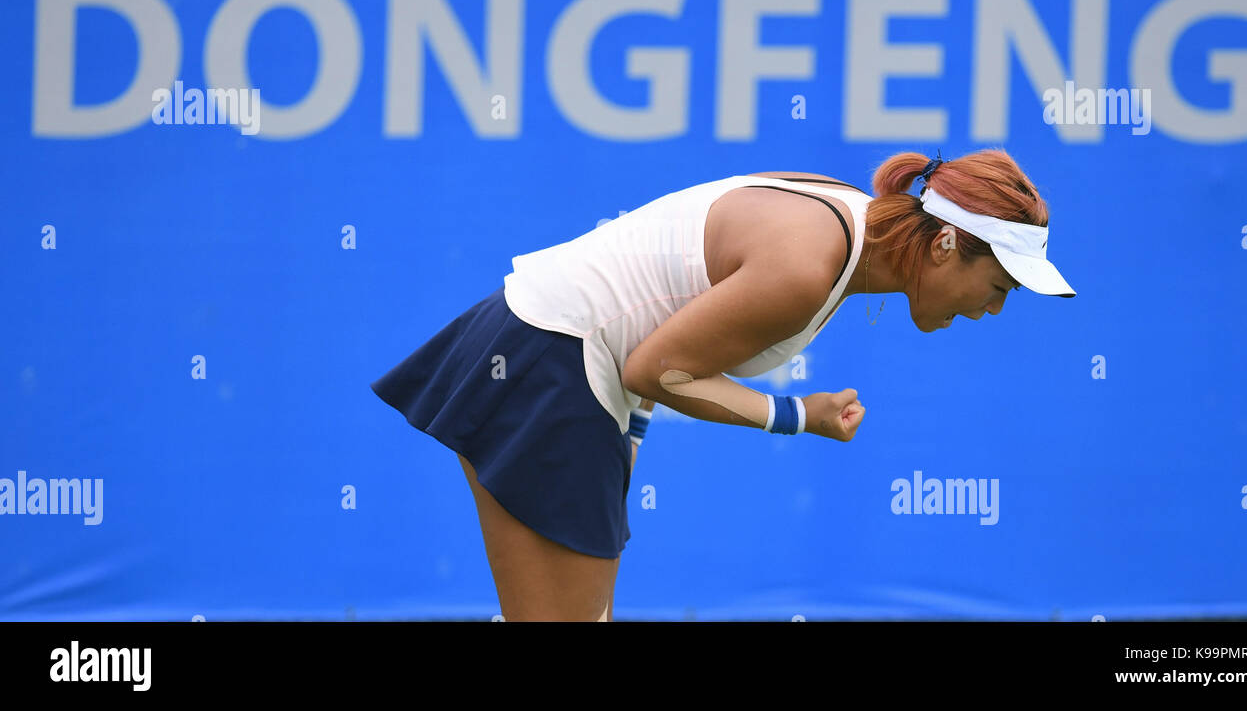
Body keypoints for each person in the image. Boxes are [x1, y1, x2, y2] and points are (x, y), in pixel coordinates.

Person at [370, 148, 1075, 621]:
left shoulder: (840, 219)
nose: (993, 307)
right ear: (948, 243)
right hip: (551, 364)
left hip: (537, 348)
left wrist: (626, 439)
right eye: (1000, 284)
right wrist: (799, 414)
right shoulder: (807, 268)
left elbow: (653, 330)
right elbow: (655, 367)